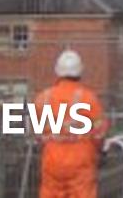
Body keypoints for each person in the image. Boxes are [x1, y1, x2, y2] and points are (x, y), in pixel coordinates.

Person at [34, 50, 108, 198]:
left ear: (57, 71)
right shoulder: (89, 98)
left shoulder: (43, 98)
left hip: (52, 162)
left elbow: (37, 134)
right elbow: (100, 133)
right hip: (81, 162)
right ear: (80, 71)